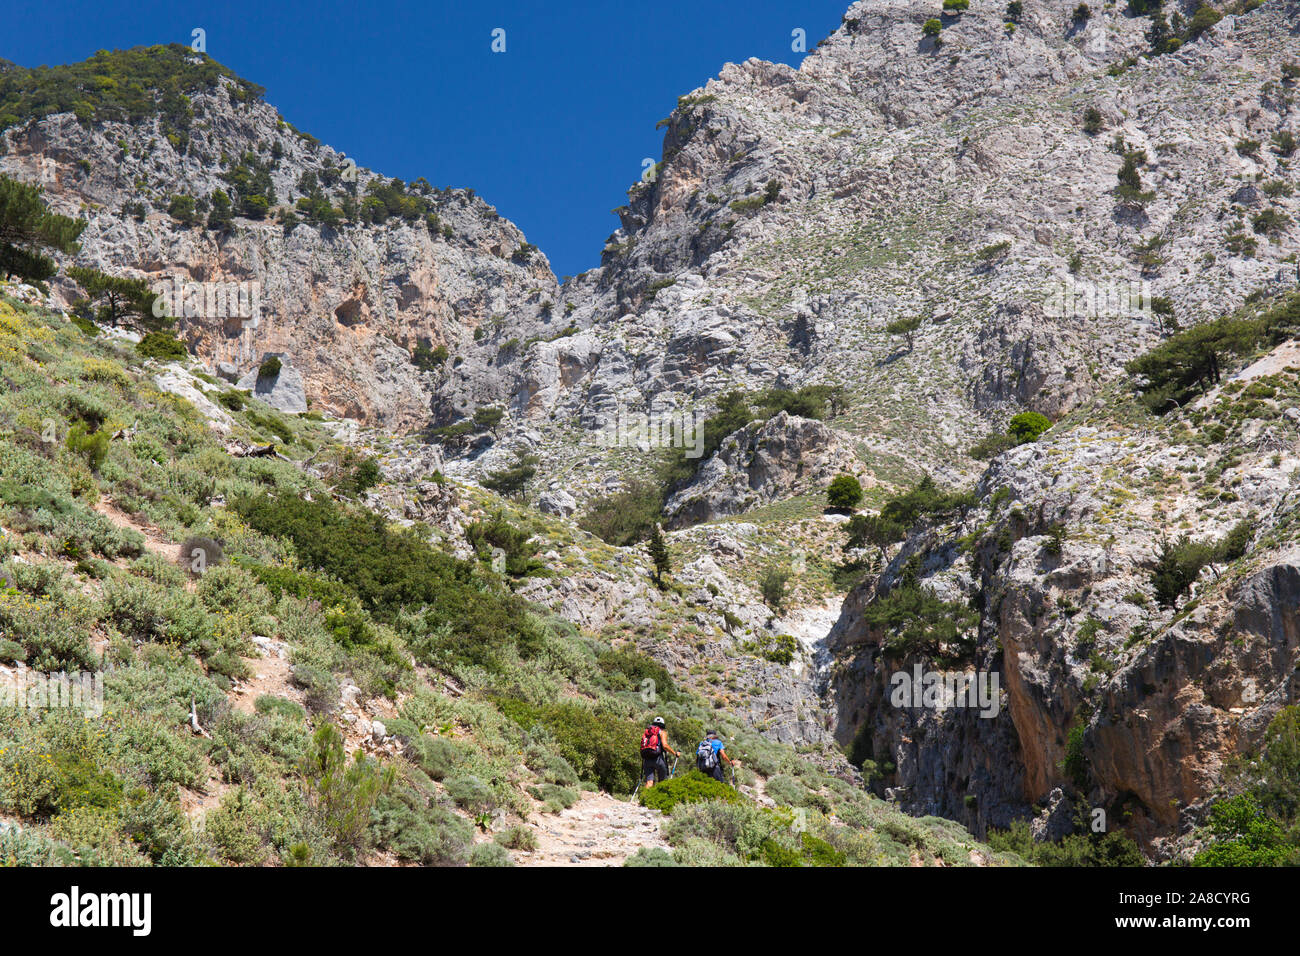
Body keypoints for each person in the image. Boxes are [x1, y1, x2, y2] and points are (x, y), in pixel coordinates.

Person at [640, 717, 678, 788]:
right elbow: (665, 745)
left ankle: (645, 794)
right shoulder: (662, 732)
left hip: (647, 758)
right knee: (663, 782)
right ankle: (660, 794)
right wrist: (674, 753)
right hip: (658, 759)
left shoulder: (647, 732)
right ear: (663, 725)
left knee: (649, 782)